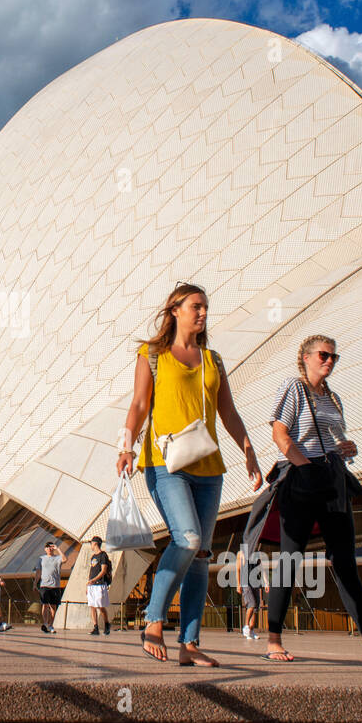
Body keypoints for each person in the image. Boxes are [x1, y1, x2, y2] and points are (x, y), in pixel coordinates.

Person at [118, 282, 262, 665]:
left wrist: (248, 450)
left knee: (200, 554)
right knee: (186, 538)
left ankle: (190, 645)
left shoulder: (212, 360)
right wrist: (126, 445)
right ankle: (153, 620)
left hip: (208, 468)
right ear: (175, 309)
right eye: (196, 306)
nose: (202, 313)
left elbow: (228, 412)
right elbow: (139, 403)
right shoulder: (152, 354)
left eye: (205, 308)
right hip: (165, 464)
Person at [256, 334, 362, 665]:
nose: (329, 361)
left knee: (344, 562)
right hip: (302, 481)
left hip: (333, 481)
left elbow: (334, 437)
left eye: (334, 357)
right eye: (324, 355)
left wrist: (347, 448)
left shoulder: (333, 398)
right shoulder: (294, 388)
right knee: (289, 561)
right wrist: (306, 467)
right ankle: (273, 640)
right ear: (305, 357)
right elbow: (280, 434)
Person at [236, 546, 268, 639]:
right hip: (245, 583)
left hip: (255, 582)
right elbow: (238, 569)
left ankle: (251, 630)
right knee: (252, 604)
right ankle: (246, 627)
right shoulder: (241, 553)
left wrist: (266, 583)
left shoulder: (257, 554)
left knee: (256, 608)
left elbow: (262, 569)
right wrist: (238, 585)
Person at [34, 541, 64, 633]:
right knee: (45, 604)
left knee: (53, 606)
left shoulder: (58, 558)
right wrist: (35, 583)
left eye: (51, 547)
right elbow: (38, 572)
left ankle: (51, 625)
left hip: (55, 585)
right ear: (45, 549)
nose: (49, 549)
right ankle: (46, 623)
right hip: (44, 585)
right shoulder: (41, 559)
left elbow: (65, 559)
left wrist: (58, 549)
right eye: (47, 547)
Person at [86, 536, 112, 635]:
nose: (91, 545)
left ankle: (106, 624)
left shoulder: (103, 555)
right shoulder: (93, 557)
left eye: (91, 543)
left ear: (95, 543)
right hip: (92, 585)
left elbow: (103, 571)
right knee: (92, 606)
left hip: (99, 584)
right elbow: (91, 571)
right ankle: (95, 627)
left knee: (101, 606)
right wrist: (88, 584)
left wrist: (94, 580)